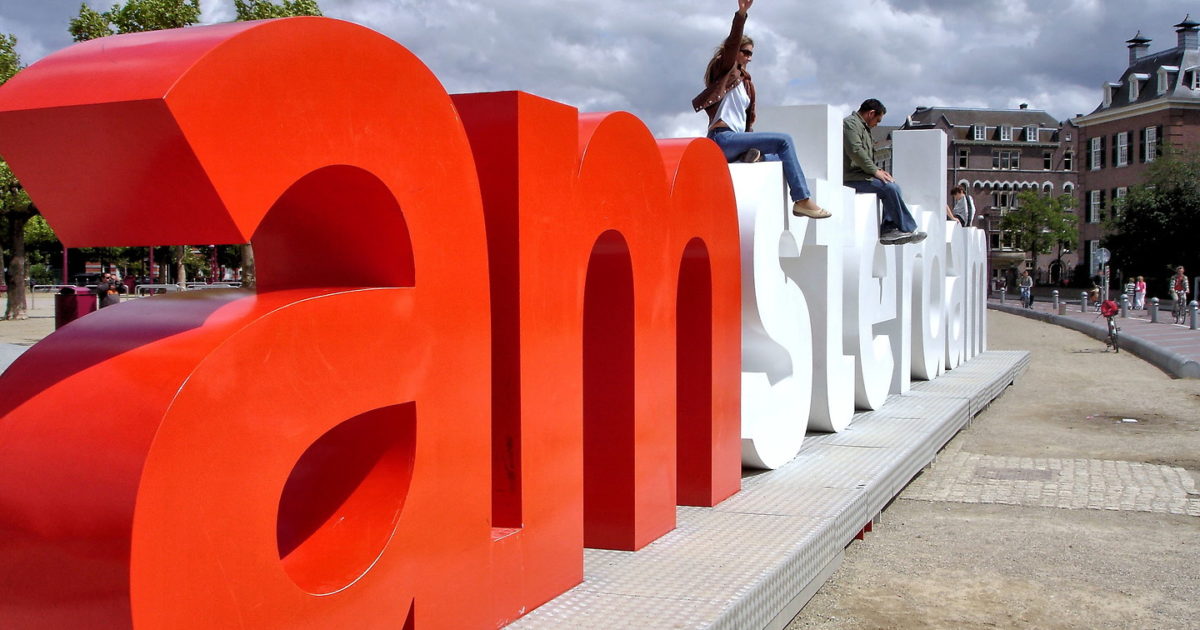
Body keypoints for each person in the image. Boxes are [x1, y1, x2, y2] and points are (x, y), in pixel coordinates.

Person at [693, 0, 830, 220]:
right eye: (745, 52)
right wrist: (741, 14)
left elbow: (748, 120)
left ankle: (744, 159)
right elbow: (731, 44)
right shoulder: (725, 71)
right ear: (735, 52)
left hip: (736, 139)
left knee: (777, 157)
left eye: (751, 54)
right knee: (784, 140)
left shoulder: (746, 84)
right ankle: (802, 200)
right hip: (721, 138)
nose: (749, 57)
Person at [843, 99, 927, 245]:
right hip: (851, 177)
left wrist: (879, 171)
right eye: (878, 120)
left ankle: (890, 227)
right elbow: (856, 151)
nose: (877, 124)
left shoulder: (863, 128)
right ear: (871, 113)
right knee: (889, 188)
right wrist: (875, 171)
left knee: (892, 185)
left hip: (861, 175)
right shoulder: (851, 124)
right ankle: (907, 228)